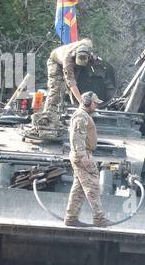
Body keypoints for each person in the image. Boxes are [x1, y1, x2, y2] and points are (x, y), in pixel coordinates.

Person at [64, 92, 109, 227]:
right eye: (95, 103)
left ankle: (71, 218)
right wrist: (83, 156)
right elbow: (77, 138)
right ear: (87, 102)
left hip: (82, 154)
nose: (96, 106)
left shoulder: (83, 115)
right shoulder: (81, 116)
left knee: (78, 188)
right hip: (82, 155)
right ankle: (99, 219)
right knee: (92, 186)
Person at [34, 38, 95, 130]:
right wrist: (81, 101)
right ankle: (48, 116)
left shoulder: (88, 53)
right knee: (57, 88)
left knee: (77, 84)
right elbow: (71, 83)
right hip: (55, 62)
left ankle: (77, 110)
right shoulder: (68, 59)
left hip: (74, 63)